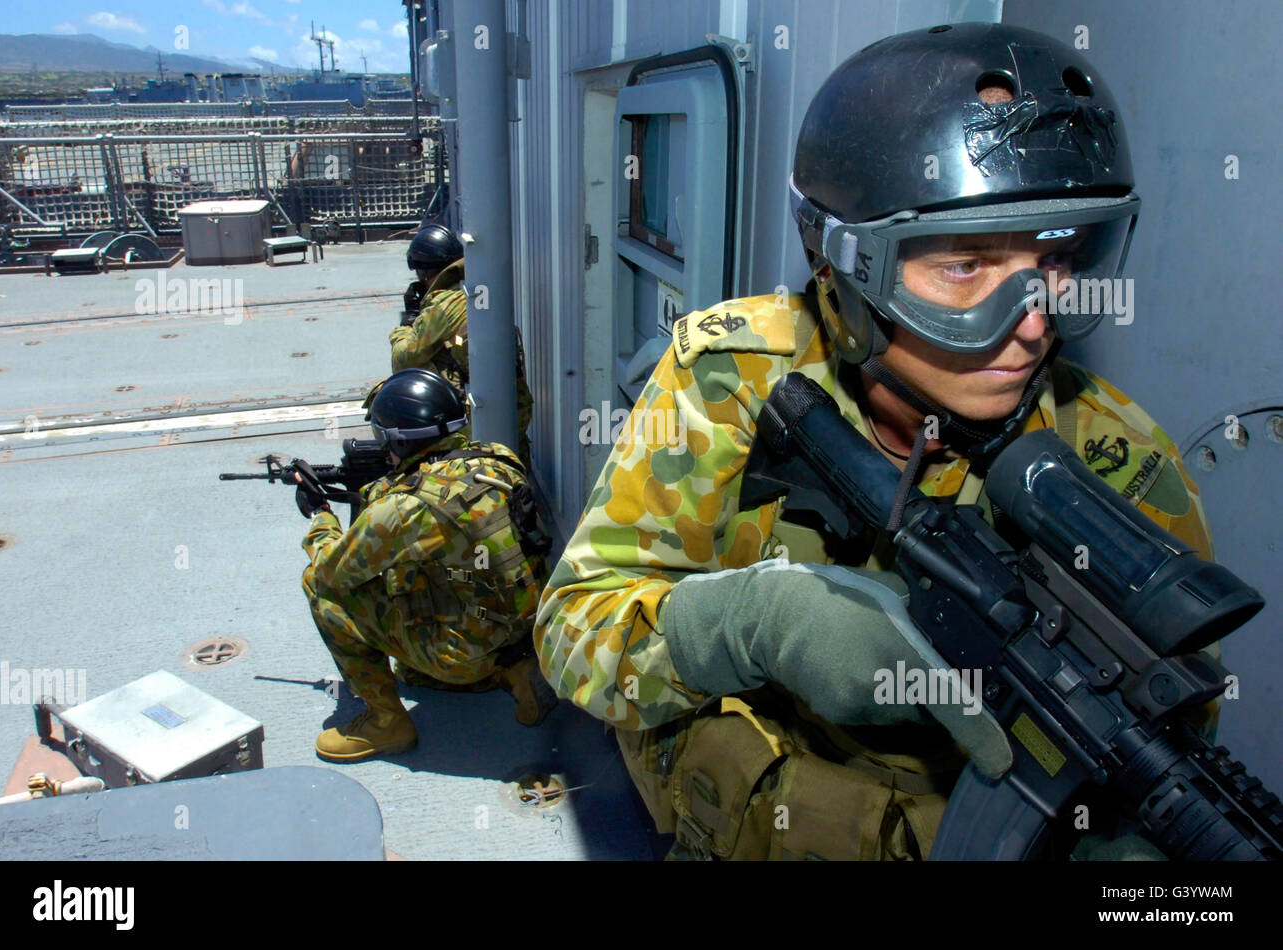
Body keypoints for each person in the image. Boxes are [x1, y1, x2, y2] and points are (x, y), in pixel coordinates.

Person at [534, 22, 1219, 859]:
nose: (1034, 322)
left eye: (1061, 258)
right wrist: (752, 625)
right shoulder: (735, 380)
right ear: (843, 270)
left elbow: (1180, 729)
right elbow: (574, 630)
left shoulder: (1122, 464)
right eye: (966, 269)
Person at [301, 368, 554, 762]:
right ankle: (513, 672)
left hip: (463, 655)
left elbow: (331, 572)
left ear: (395, 440)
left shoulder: (404, 510)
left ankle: (387, 723)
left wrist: (321, 515)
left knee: (321, 592)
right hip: (526, 633)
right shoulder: (498, 459)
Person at [389, 222, 535, 471]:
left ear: (424, 273)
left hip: (475, 424)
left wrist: (407, 323)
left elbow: (403, 360)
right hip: (515, 409)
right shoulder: (479, 287)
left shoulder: (443, 305)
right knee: (513, 472)